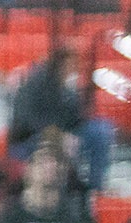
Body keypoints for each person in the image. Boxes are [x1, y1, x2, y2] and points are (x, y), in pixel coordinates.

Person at [9, 45, 114, 192]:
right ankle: (67, 188)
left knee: (100, 130)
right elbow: (27, 121)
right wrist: (58, 135)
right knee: (63, 143)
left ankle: (95, 187)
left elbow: (75, 119)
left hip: (65, 134)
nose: (74, 68)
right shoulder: (34, 84)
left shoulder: (68, 86)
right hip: (31, 139)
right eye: (71, 63)